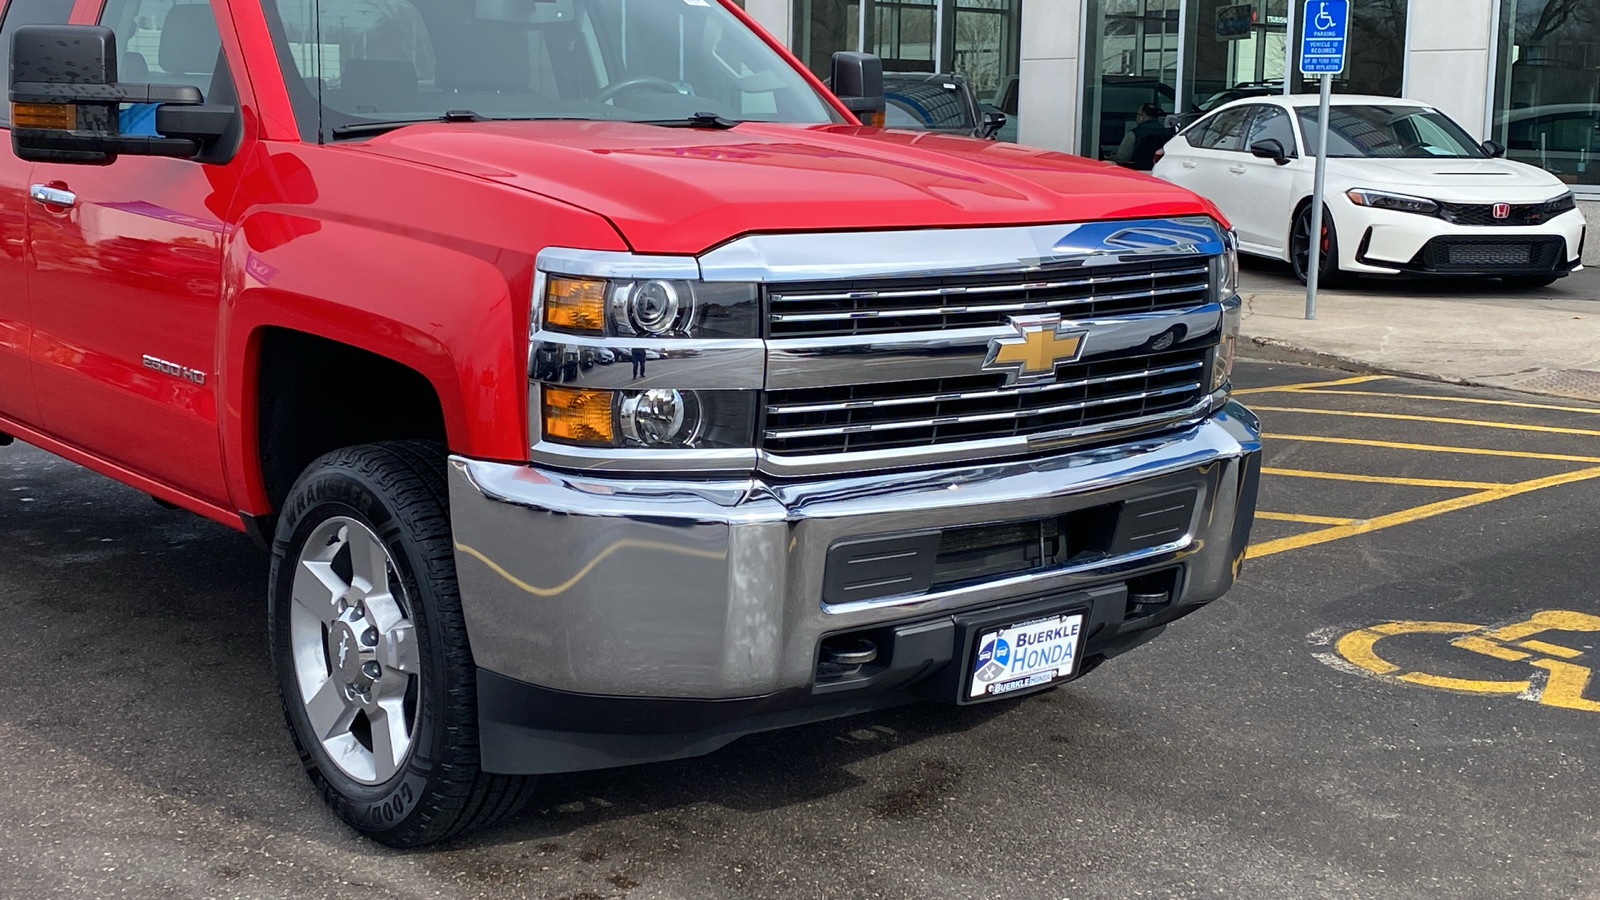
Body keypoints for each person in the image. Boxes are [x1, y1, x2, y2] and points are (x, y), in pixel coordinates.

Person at [1112, 103, 1176, 170]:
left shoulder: (1134, 134)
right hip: (1163, 171)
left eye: (1137, 114)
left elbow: (1122, 159)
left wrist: (1110, 157)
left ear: (1142, 116)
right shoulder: (1170, 133)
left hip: (1140, 172)